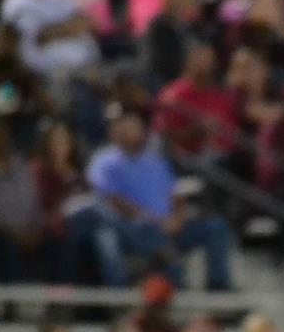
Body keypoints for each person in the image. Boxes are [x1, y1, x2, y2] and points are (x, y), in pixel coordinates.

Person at [86, 106, 233, 291]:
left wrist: (177, 219)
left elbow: (175, 193)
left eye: (134, 124)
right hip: (135, 231)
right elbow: (113, 200)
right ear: (113, 131)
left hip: (168, 227)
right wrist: (155, 221)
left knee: (216, 227)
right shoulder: (103, 161)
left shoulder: (155, 160)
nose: (130, 129)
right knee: (154, 240)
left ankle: (218, 288)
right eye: (123, 125)